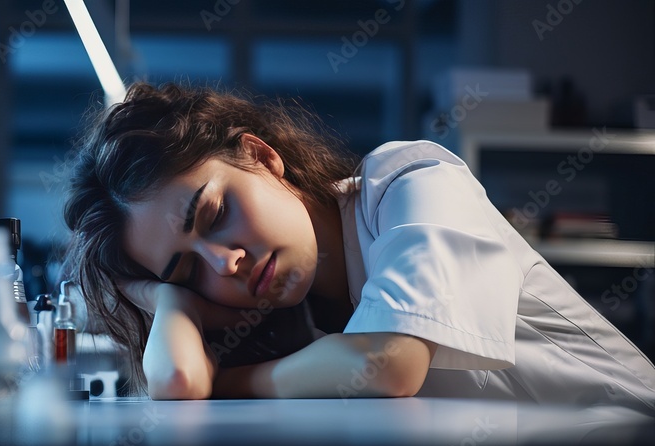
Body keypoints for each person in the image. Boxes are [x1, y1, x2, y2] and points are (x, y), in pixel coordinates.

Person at [60, 82, 655, 415]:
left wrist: (230, 382)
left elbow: (385, 365)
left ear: (264, 157)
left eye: (214, 214)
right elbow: (179, 385)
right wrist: (172, 304)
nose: (225, 262)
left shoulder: (410, 182)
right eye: (188, 268)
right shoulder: (303, 323)